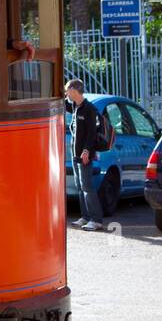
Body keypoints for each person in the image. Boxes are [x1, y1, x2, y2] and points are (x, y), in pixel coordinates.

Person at [66, 80, 105, 232]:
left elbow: (91, 133)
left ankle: (96, 220)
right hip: (75, 153)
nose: (66, 93)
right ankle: (85, 217)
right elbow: (61, 103)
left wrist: (87, 151)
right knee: (80, 187)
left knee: (87, 187)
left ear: (74, 90)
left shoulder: (89, 109)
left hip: (84, 154)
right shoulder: (75, 106)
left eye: (67, 90)